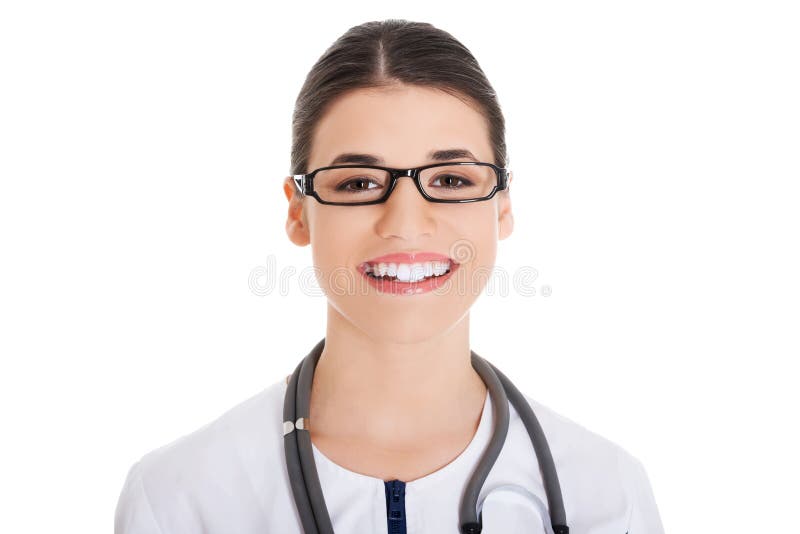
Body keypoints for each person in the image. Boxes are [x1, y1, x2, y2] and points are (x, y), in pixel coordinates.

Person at [114, 18, 665, 534]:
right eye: (358, 182)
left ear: (501, 207)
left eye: (450, 180)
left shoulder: (608, 496)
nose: (404, 224)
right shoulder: (180, 499)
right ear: (298, 211)